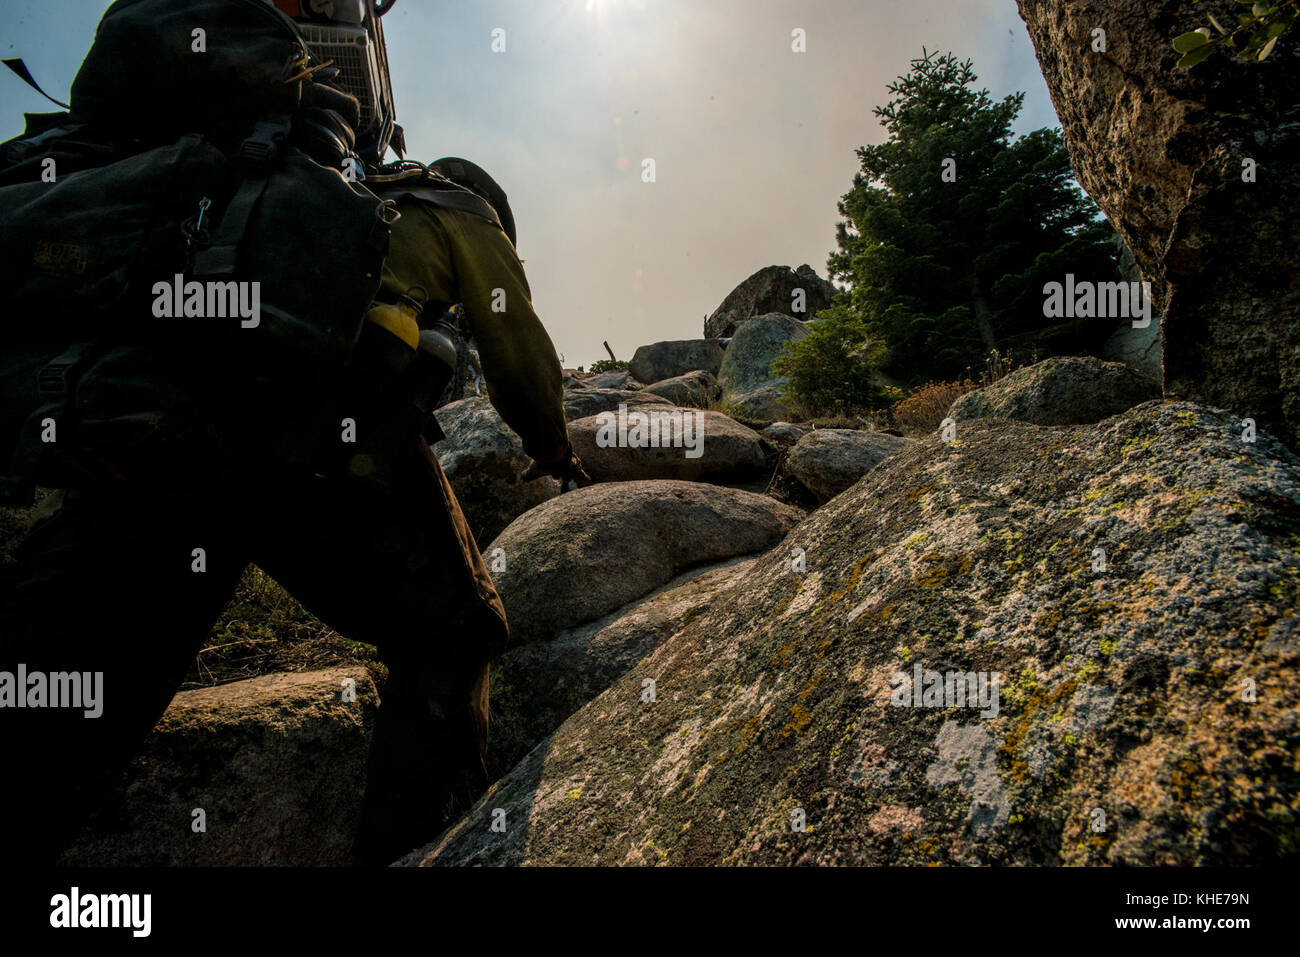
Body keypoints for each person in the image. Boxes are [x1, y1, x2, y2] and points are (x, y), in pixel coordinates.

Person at [0, 0, 588, 868]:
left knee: (56, 694)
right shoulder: (453, 205)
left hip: (150, 411)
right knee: (455, 631)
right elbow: (521, 357)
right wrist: (557, 453)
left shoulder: (250, 159)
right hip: (312, 434)